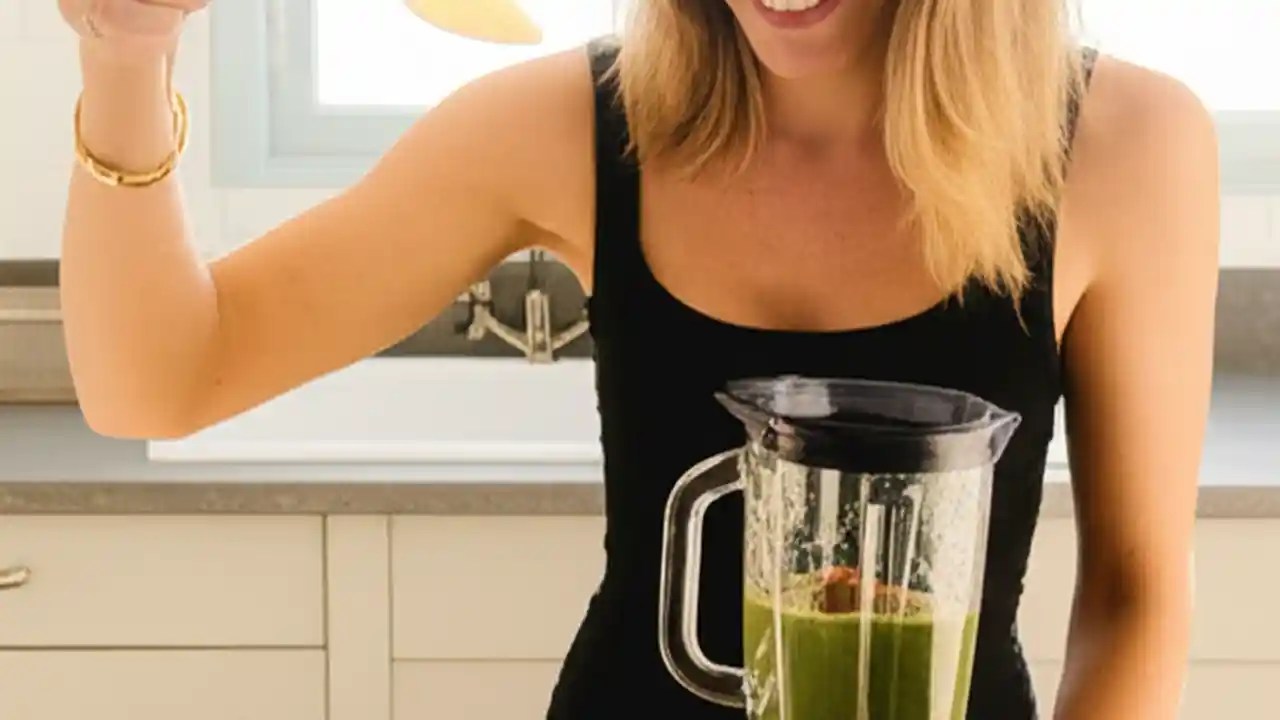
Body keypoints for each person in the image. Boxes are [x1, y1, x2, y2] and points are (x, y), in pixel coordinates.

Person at [57, 0, 1218, 717]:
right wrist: (126, 55)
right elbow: (156, 379)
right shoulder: (567, 122)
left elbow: (1132, 593)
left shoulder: (1125, 145)